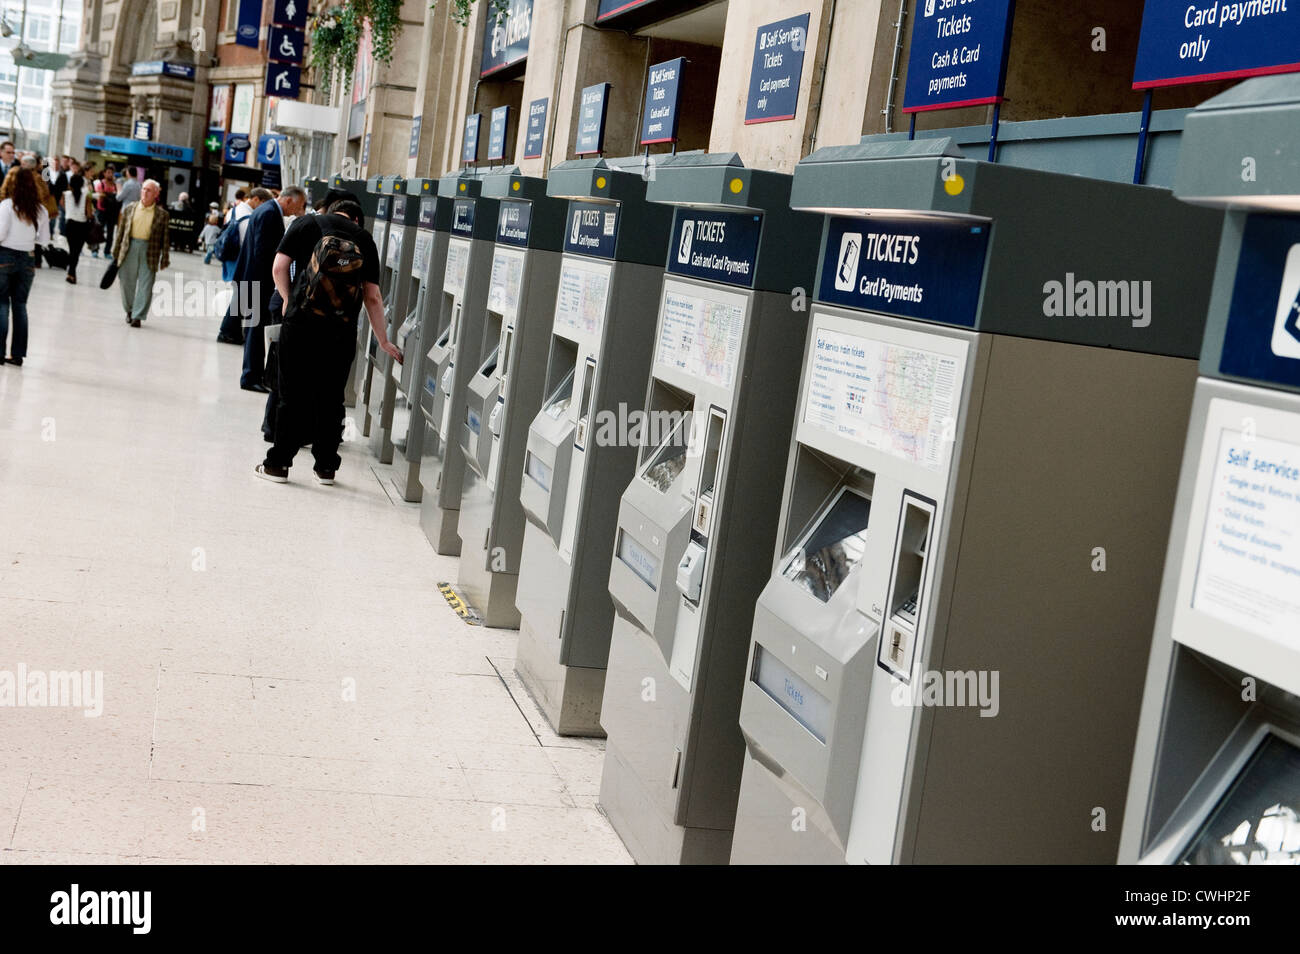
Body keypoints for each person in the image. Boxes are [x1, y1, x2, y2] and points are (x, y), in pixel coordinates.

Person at [256, 198, 401, 484]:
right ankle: (325, 468)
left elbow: (278, 268)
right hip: (340, 330)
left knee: (291, 394)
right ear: (357, 220)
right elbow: (372, 296)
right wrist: (383, 341)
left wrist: (287, 300)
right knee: (331, 398)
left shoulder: (305, 224)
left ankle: (278, 464)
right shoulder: (364, 240)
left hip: (300, 324)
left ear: (331, 211)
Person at [232, 186, 308, 391]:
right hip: (258, 281)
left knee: (253, 329)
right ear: (288, 200)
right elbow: (262, 252)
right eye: (298, 206)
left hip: (252, 279)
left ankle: (252, 374)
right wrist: (276, 278)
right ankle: (250, 377)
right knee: (255, 330)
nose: (297, 212)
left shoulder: (265, 210)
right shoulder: (269, 214)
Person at [0, 167, 50, 367]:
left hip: (4, 257)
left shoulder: (6, 206)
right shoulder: (41, 210)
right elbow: (44, 240)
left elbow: (0, 235)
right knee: (20, 306)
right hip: (28, 260)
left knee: (2, 304)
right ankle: (18, 354)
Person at [112, 178, 170, 328]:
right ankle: (130, 310)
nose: (145, 192)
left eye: (149, 190)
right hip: (129, 247)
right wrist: (116, 251)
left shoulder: (162, 215)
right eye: (143, 189)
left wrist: (165, 259)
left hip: (149, 251)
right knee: (126, 282)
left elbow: (165, 239)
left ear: (156, 193)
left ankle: (138, 316)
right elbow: (121, 232)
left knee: (146, 284)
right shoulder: (130, 208)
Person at [216, 187, 267, 343]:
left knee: (238, 293)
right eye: (263, 202)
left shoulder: (236, 209)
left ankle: (231, 330)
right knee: (239, 294)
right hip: (239, 257)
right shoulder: (247, 215)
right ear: (256, 199)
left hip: (230, 255)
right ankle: (227, 331)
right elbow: (247, 241)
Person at [60, 159, 93, 284]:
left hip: (70, 224)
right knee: (76, 251)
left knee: (72, 249)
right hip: (82, 225)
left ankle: (71, 273)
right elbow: (89, 213)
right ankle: (71, 273)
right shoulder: (86, 196)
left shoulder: (66, 194)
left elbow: (62, 205)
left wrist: (69, 211)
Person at [94, 167, 119, 255]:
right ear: (104, 173)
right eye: (108, 172)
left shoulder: (115, 185)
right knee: (98, 231)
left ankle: (107, 251)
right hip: (101, 210)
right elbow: (100, 195)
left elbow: (119, 195)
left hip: (112, 212)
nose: (110, 174)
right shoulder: (100, 183)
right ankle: (95, 250)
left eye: (111, 173)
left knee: (110, 233)